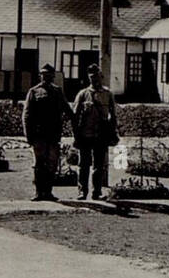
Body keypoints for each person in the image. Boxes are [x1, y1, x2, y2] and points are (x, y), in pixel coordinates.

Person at [23, 63, 75, 202]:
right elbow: (27, 115)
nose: (46, 77)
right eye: (44, 75)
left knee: (52, 163)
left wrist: (76, 121)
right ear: (40, 76)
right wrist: (28, 135)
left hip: (53, 134)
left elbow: (66, 109)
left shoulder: (57, 91)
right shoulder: (33, 92)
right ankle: (39, 192)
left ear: (53, 76)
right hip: (39, 135)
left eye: (49, 75)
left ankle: (49, 192)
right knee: (39, 163)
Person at [72, 63, 118, 201]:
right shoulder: (83, 94)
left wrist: (112, 132)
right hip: (85, 135)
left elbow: (113, 115)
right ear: (89, 78)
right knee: (83, 165)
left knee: (99, 166)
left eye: (97, 77)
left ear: (101, 77)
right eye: (92, 77)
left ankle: (96, 192)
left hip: (101, 135)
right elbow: (75, 116)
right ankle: (82, 192)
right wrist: (76, 135)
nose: (95, 80)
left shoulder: (108, 94)